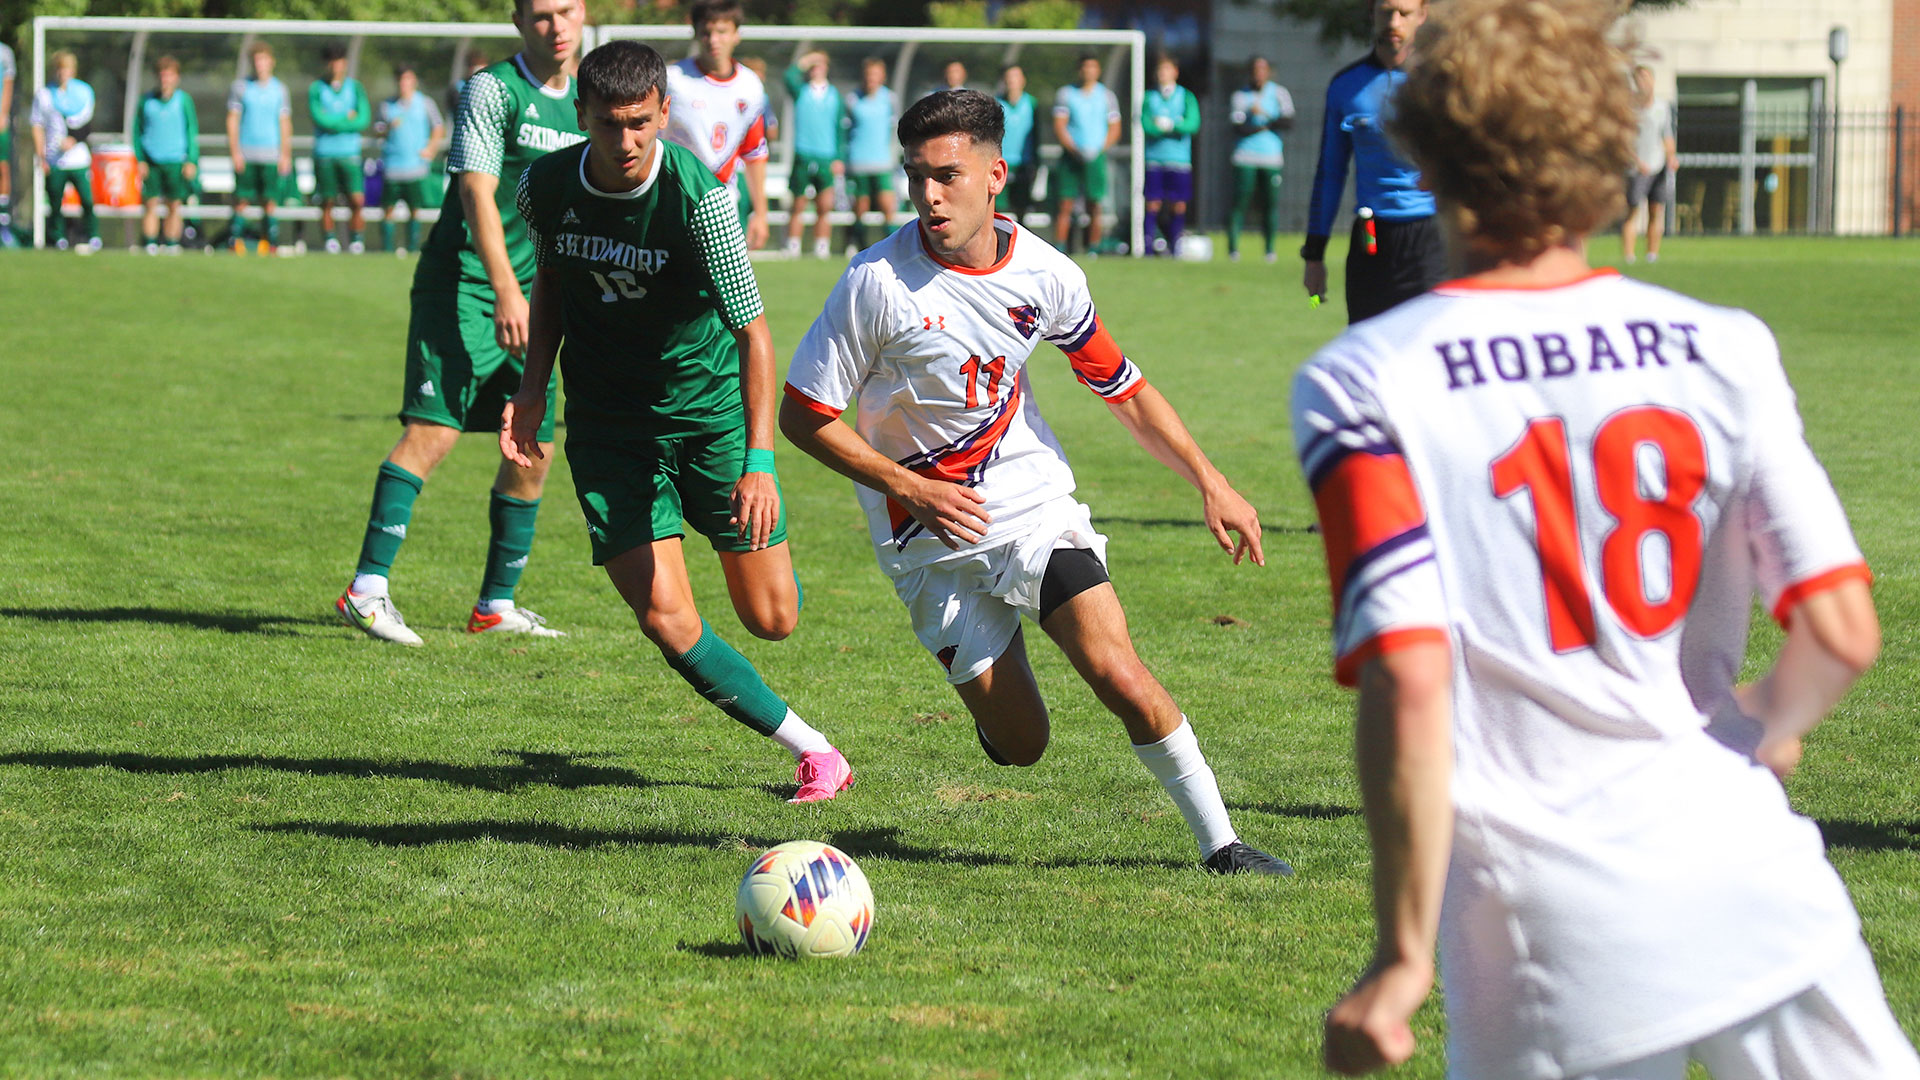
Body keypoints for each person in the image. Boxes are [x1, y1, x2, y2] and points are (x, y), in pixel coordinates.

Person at [1296, 1, 1920, 1076]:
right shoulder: (1725, 345)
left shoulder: (1363, 380)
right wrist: (1763, 726)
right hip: (1756, 874)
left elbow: (1408, 674)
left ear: (1428, 145)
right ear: (1606, 153)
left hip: (1545, 921)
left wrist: (1401, 955)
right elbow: (1842, 628)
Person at [780, 89, 1291, 874]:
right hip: (924, 537)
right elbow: (804, 416)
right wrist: (910, 489)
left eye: (947, 175)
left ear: (997, 175)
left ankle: (1223, 844)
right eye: (917, 175)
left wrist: (1210, 480)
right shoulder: (876, 283)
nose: (928, 195)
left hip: (1030, 506)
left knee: (1116, 668)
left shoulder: (1049, 276)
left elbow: (1124, 389)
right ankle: (1000, 705)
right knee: (1024, 745)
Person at [506, 39, 852, 804]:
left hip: (708, 423)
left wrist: (759, 460)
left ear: (665, 112)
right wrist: (533, 390)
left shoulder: (700, 201)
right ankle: (815, 751)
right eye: (605, 124)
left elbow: (753, 332)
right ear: (581, 117)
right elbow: (554, 282)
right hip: (607, 430)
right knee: (665, 617)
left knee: (772, 617)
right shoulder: (544, 187)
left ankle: (731, 519)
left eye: (638, 122)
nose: (623, 141)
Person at [335, 0, 587, 646]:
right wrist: (506, 288)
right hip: (467, 284)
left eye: (566, 11)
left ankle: (495, 604)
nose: (554, 26)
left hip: (534, 296)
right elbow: (476, 188)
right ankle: (367, 589)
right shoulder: (491, 89)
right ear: (516, 21)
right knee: (434, 432)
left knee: (532, 450)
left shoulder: (589, 99)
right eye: (540, 15)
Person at [1301, 0, 1441, 322]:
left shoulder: (1441, 83)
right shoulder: (1345, 87)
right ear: (1371, 13)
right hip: (1371, 235)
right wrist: (1314, 255)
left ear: (1421, 16)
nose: (1394, 22)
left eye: (1404, 13)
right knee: (1365, 341)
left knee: (1426, 347)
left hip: (1430, 234)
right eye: (1385, 11)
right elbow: (1330, 174)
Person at [663, 0, 770, 252]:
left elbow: (754, 152)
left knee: (723, 289)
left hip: (723, 204)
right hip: (674, 200)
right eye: (706, 32)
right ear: (696, 34)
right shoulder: (672, 80)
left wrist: (761, 214)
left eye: (721, 31)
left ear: (736, 35)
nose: (713, 40)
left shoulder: (751, 85)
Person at [226, 43, 293, 255]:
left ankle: (270, 243)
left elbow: (284, 122)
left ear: (271, 61)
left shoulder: (279, 89)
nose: (260, 65)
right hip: (247, 153)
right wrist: (235, 151)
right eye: (256, 60)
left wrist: (285, 154)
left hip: (271, 154)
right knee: (242, 199)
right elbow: (233, 120)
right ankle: (234, 242)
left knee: (270, 200)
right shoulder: (241, 87)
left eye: (264, 59)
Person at [1227, 56, 1293, 263]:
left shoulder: (1279, 93)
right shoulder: (1240, 96)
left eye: (1262, 69)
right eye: (1255, 69)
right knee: (1240, 202)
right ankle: (1233, 249)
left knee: (1269, 204)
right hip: (1245, 156)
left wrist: (1263, 116)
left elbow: (1288, 122)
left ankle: (1270, 250)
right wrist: (1262, 125)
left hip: (1271, 157)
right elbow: (1238, 128)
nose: (1258, 74)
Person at [1051, 54, 1120, 254]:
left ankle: (1093, 248)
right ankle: (1060, 247)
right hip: (1071, 157)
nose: (1089, 71)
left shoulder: (1107, 96)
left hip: (1095, 157)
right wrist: (1073, 148)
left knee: (1094, 204)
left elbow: (1115, 128)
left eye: (1093, 67)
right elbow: (1060, 125)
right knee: (1065, 203)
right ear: (1079, 70)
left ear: (1098, 70)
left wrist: (1099, 149)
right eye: (1085, 67)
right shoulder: (1066, 94)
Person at [29, 51, 96, 253]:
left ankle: (92, 235)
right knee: (55, 201)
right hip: (54, 158)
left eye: (66, 68)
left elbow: (87, 124)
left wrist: (73, 139)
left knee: (87, 200)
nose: (62, 73)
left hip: (78, 159)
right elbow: (37, 124)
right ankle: (57, 237)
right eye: (59, 68)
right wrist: (41, 155)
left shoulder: (83, 93)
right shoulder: (44, 95)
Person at [376, 64, 446, 256]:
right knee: (388, 209)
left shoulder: (425, 103)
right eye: (400, 79)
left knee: (414, 209)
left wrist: (431, 148)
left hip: (415, 167)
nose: (403, 84)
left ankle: (413, 248)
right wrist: (388, 127)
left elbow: (439, 127)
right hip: (392, 166)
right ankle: (387, 250)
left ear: (413, 81)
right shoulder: (387, 105)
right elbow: (378, 131)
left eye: (407, 79)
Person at [782, 50, 845, 259]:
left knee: (824, 205)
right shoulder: (801, 91)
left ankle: (821, 246)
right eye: (813, 65)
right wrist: (806, 60)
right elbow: (788, 76)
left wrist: (839, 157)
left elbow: (839, 129)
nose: (817, 68)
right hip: (803, 153)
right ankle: (793, 245)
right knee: (798, 203)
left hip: (826, 155)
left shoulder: (835, 95)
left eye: (820, 64)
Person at [133, 55, 198, 255]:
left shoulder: (183, 100)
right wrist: (140, 159)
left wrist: (191, 160)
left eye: (169, 76)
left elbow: (191, 131)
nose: (165, 80)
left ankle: (171, 244)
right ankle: (151, 243)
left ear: (176, 78)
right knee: (150, 203)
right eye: (162, 76)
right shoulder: (146, 101)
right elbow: (137, 131)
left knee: (174, 204)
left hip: (176, 160)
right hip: (152, 161)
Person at [310, 44, 371, 254]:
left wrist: (334, 121)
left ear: (344, 63)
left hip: (350, 153)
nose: (335, 66)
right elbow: (319, 118)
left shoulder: (355, 88)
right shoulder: (317, 88)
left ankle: (356, 241)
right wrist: (346, 118)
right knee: (327, 200)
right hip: (325, 154)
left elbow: (363, 119)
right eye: (331, 61)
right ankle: (330, 241)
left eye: (339, 61)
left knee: (356, 199)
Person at [1140, 55, 1200, 257]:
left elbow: (1193, 123)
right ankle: (1148, 247)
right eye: (1160, 70)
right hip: (1154, 158)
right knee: (1153, 201)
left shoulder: (1186, 97)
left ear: (1175, 72)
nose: (1162, 74)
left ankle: (1175, 246)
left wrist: (1172, 125)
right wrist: (1159, 128)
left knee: (1179, 202)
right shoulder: (1150, 97)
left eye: (1166, 69)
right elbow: (1145, 123)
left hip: (1179, 159)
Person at [1622, 65, 1676, 265]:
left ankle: (1652, 256)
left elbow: (1667, 136)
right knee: (1633, 211)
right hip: (1637, 168)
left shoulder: (1662, 108)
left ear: (1653, 80)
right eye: (1639, 79)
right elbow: (1624, 139)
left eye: (1646, 78)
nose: (1643, 82)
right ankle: (1629, 256)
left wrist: (1671, 156)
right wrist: (1636, 161)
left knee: (1656, 211)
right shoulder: (1630, 109)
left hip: (1658, 167)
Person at [843, 57, 898, 252]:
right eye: (868, 74)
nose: (871, 79)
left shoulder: (889, 99)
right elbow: (845, 130)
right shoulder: (852, 99)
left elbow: (894, 128)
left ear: (882, 76)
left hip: (882, 161)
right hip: (858, 161)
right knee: (860, 205)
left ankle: (894, 245)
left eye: (875, 74)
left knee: (887, 205)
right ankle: (858, 244)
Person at [993, 64, 1038, 222]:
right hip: (1000, 162)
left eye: (1015, 77)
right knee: (995, 206)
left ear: (1023, 80)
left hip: (1024, 163)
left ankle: (1019, 241)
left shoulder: (1032, 103)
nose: (1012, 81)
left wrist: (1036, 162)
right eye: (1008, 77)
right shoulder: (995, 103)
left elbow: (1036, 134)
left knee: (1021, 207)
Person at [1, 39, 17, 246]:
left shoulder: (4, 53)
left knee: (2, 168)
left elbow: (7, 84)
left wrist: (2, 114)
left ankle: (3, 221)